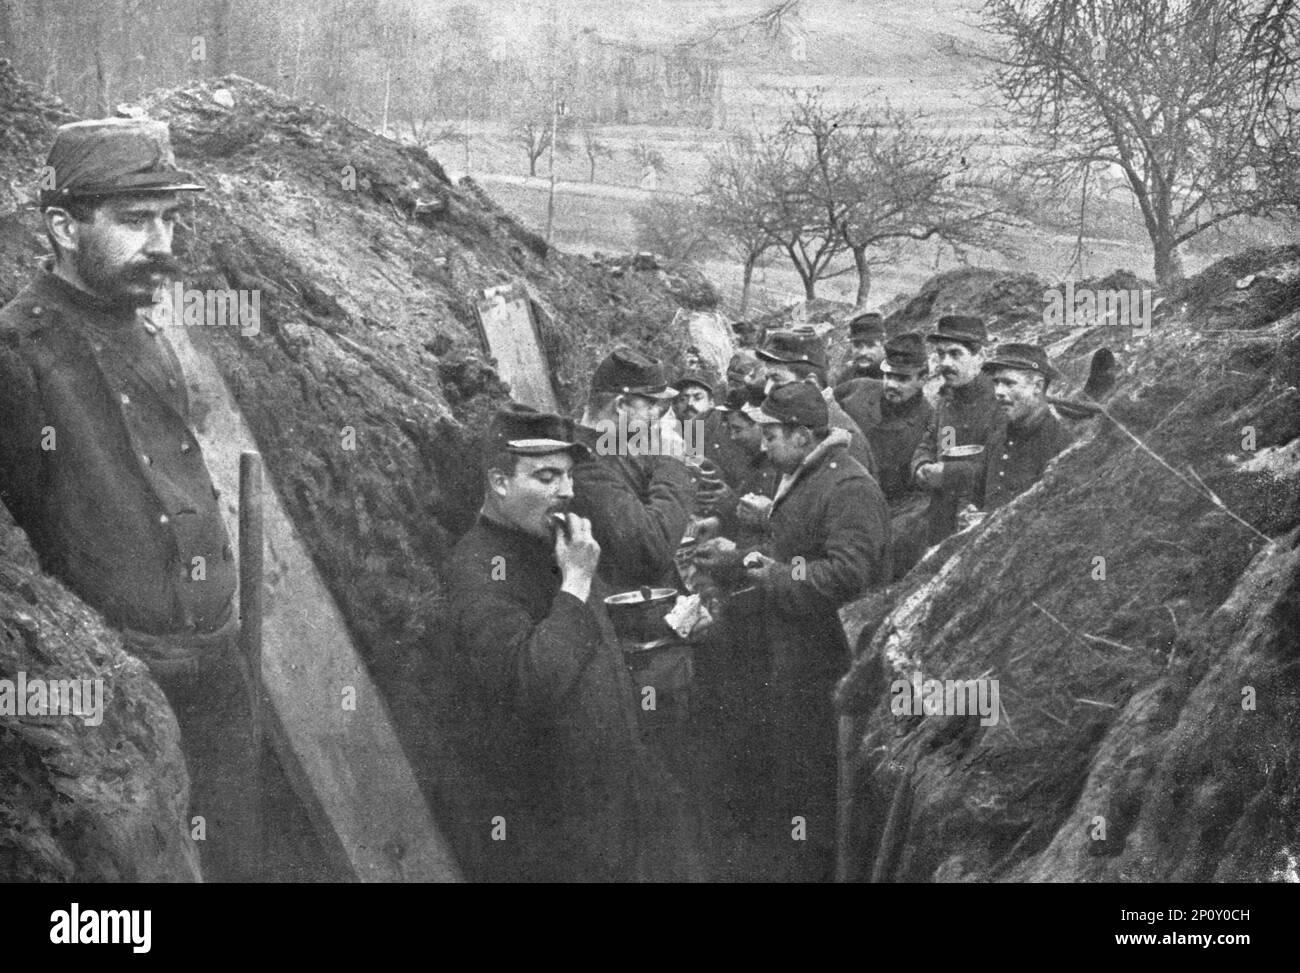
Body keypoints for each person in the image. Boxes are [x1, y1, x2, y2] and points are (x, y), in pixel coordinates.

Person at [0, 118, 257, 881]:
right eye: (137, 221)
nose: (163, 242)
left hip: (217, 669)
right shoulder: (19, 353)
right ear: (62, 227)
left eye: (170, 219)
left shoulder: (147, 330)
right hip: (122, 698)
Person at [444, 404, 698, 882]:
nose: (565, 492)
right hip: (555, 823)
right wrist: (576, 582)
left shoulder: (553, 541)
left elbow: (593, 643)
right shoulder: (479, 568)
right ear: (499, 482)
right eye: (545, 477)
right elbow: (527, 682)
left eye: (567, 476)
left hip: (609, 798)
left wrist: (666, 627)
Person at [695, 382, 888, 881]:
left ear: (802, 436)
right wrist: (738, 560)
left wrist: (776, 576)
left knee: (818, 784)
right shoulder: (805, 477)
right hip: (795, 658)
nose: (762, 445)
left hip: (826, 666)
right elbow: (797, 552)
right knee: (797, 777)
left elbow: (848, 575)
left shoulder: (848, 488)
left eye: (772, 435)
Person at [571, 347, 695, 592]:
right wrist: (672, 462)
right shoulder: (586, 462)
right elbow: (650, 547)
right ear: (620, 405)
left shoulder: (616, 446)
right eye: (650, 404)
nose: (656, 414)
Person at [909, 315, 1002, 549]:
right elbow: (929, 442)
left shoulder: (1000, 403)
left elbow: (1000, 469)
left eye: (955, 354)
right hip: (941, 513)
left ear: (980, 357)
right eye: (941, 354)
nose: (945, 363)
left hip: (980, 518)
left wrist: (948, 474)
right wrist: (921, 466)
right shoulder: (947, 398)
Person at [757, 328, 879, 482]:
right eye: (766, 379)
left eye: (777, 379)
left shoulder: (844, 441)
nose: (768, 390)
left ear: (812, 382)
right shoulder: (796, 424)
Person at [969, 343, 1074, 515]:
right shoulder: (996, 438)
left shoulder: (1060, 445)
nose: (998, 392)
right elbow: (977, 498)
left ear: (1037, 387)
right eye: (996, 383)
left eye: (1009, 383)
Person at [833, 310, 886, 384]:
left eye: (870, 345)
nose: (862, 352)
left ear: (883, 346)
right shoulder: (846, 377)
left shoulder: (895, 379)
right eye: (857, 345)